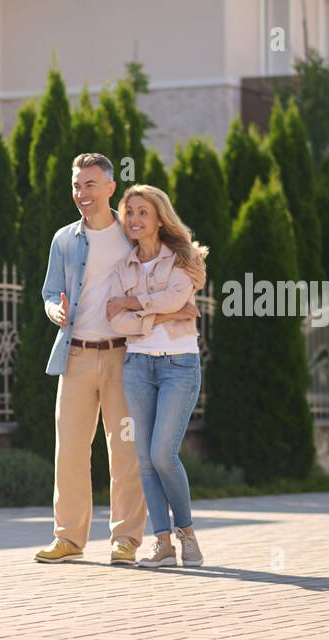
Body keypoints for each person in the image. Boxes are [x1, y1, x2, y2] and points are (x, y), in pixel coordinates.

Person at [33, 154, 199, 566]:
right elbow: (50, 290)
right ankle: (68, 537)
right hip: (76, 356)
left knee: (125, 450)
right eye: (76, 185)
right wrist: (55, 310)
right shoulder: (64, 239)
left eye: (89, 185)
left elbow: (170, 271)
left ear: (110, 188)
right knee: (69, 449)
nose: (81, 193)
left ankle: (126, 538)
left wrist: (174, 304)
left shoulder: (132, 235)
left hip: (126, 357)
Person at [105, 185, 207, 568]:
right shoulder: (122, 268)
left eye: (142, 212)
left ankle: (187, 533)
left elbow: (170, 299)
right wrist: (164, 314)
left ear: (159, 217)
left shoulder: (184, 258)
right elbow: (115, 319)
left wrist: (137, 306)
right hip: (137, 367)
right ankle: (162, 544)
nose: (133, 219)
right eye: (128, 212)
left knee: (163, 454)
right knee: (144, 459)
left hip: (178, 366)